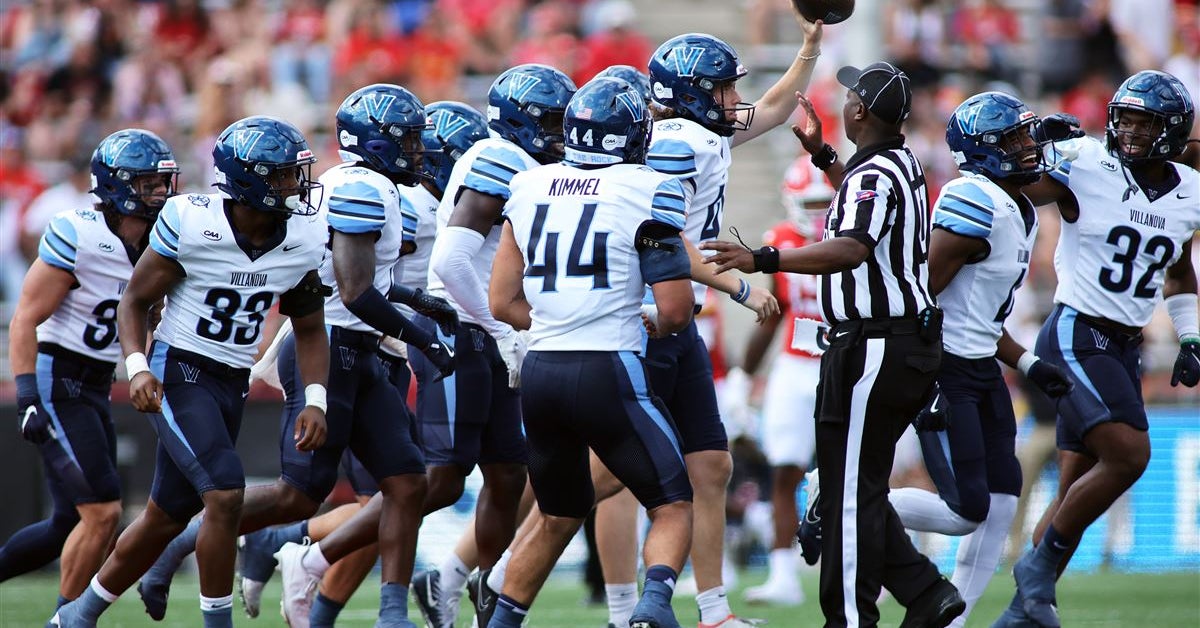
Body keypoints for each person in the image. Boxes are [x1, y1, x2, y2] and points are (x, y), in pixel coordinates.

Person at [136, 85, 456, 628]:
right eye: (406, 137)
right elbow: (353, 292)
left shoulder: (372, 186)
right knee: (296, 496)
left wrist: (424, 303)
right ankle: (180, 544)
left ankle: (392, 612)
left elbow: (367, 280)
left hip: (360, 346)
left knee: (407, 483)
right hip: (332, 347)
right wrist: (423, 339)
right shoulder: (359, 186)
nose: (418, 148)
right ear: (377, 141)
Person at [277, 65, 576, 628]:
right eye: (554, 121)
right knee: (431, 480)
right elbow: (444, 265)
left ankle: (487, 604)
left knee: (506, 474)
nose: (422, 152)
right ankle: (305, 554)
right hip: (449, 333)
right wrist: (494, 325)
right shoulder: (481, 165)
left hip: (447, 333)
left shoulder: (516, 170)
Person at [701, 62, 966, 628]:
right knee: (858, 486)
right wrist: (824, 158)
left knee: (843, 496)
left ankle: (849, 618)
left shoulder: (875, 174)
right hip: (898, 344)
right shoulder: (895, 164)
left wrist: (761, 259)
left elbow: (850, 248)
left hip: (875, 344)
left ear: (861, 112)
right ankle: (924, 592)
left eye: (850, 97)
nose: (844, 103)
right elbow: (866, 202)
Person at [49, 115, 331, 628]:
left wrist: (315, 398)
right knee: (225, 493)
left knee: (164, 516)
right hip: (180, 370)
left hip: (232, 381)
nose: (296, 185)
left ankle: (76, 616)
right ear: (249, 179)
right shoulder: (192, 221)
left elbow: (310, 326)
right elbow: (134, 301)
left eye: (296, 173)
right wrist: (136, 367)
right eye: (283, 175)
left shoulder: (304, 233)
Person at [592, 16, 822, 627]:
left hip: (677, 323)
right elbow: (663, 240)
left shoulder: (703, 133)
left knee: (711, 466)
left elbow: (772, 109)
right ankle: (503, 563)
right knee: (597, 480)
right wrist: (741, 285)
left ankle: (713, 612)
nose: (734, 99)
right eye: (723, 89)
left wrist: (808, 49)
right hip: (643, 320)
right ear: (693, 94)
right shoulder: (675, 143)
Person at [486, 75, 695, 628]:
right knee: (671, 501)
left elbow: (501, 299)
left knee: (558, 511)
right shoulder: (649, 188)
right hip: (609, 370)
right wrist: (636, 319)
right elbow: (675, 311)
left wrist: (563, 319)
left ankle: (502, 620)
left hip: (542, 371)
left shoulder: (529, 185)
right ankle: (652, 609)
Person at [996, 69, 1199, 628]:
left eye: (1144, 122)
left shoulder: (1189, 191)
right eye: (1125, 119)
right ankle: (1036, 575)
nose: (1130, 132)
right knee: (1130, 455)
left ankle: (1024, 611)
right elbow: (1018, 187)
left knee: (1069, 496)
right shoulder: (1086, 162)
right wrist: (1037, 148)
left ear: (1172, 130)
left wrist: (1189, 335)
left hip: (1124, 345)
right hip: (1076, 331)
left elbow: (1179, 272)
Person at [885, 91, 1077, 628]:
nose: (1027, 146)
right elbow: (922, 289)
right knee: (964, 509)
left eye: (1025, 135)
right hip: (946, 370)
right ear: (985, 150)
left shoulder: (1016, 205)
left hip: (981, 367)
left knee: (1000, 502)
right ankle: (847, 499)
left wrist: (1031, 365)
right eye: (1014, 139)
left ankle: (952, 622)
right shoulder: (972, 195)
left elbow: (980, 319)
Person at [1, 130, 178, 609]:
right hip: (58, 380)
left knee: (68, 521)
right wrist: (28, 397)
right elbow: (25, 319)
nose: (160, 194)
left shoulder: (159, 242)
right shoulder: (79, 232)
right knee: (101, 512)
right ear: (118, 187)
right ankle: (68, 619)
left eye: (162, 184)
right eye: (147, 185)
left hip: (97, 384)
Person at [736, 155, 833, 607]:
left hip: (844, 365)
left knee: (865, 471)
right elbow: (772, 315)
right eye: (808, 202)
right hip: (795, 366)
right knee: (784, 470)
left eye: (823, 202)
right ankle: (782, 574)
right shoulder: (779, 242)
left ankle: (879, 564)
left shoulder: (854, 238)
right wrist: (744, 375)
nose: (816, 212)